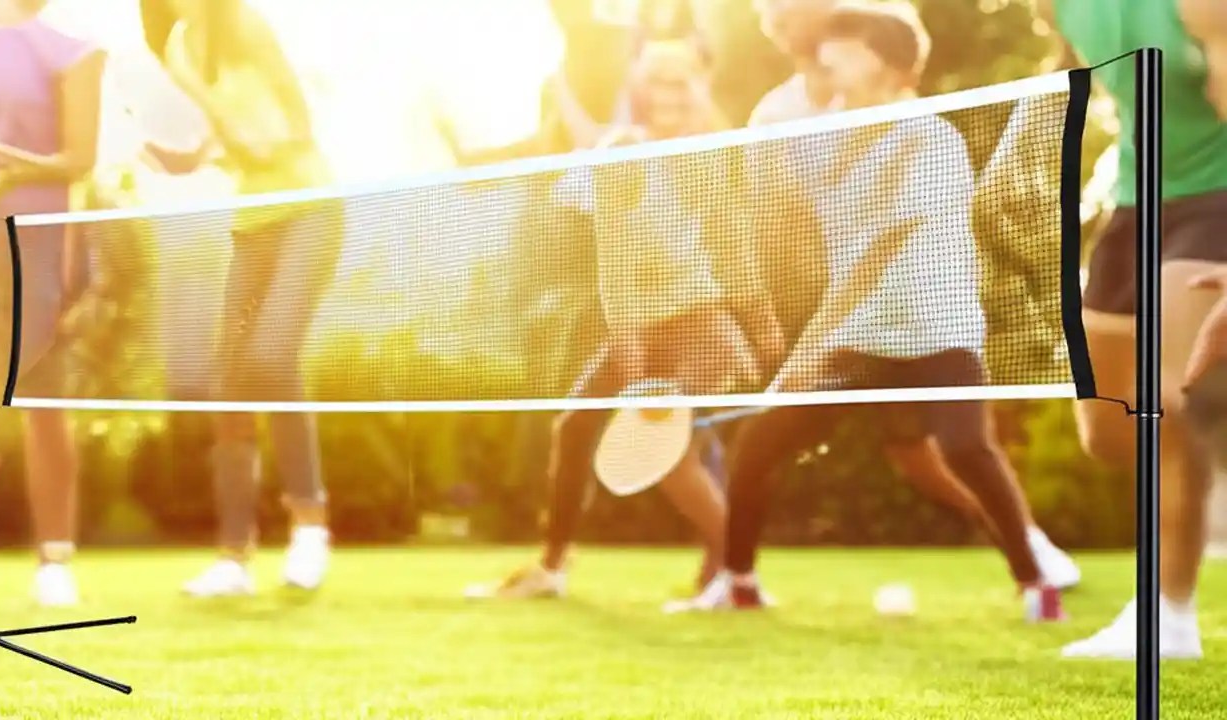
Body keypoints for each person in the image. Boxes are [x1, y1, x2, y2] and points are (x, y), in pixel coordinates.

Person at [698, 2, 1064, 620]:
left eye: (849, 46)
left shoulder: (930, 135)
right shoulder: (825, 134)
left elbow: (875, 254)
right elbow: (774, 201)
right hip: (864, 339)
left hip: (937, 331)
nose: (829, 54)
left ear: (893, 67)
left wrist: (807, 348)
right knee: (760, 443)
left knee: (966, 449)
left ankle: (1036, 583)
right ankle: (738, 582)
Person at [465, 37, 771, 602]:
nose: (670, 93)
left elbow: (731, 244)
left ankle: (734, 572)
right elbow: (614, 246)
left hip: (698, 321)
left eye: (681, 81)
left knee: (679, 451)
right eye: (659, 82)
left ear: (699, 89)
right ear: (642, 92)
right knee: (577, 426)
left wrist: (761, 323)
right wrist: (627, 331)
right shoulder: (625, 149)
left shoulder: (710, 155)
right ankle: (554, 569)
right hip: (642, 322)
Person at [1035, 0, 1227, 659]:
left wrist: (1218, 39)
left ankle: (1167, 617)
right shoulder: (1065, 7)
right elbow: (1096, 77)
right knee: (1109, 431)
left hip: (1215, 198)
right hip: (1132, 203)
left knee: (1166, 405)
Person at [139, 0, 340, 598]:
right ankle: (234, 557)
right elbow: (224, 126)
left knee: (272, 358)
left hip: (310, 208)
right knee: (228, 386)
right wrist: (196, 158)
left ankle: (309, 529)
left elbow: (295, 119)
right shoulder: (178, 47)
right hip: (251, 220)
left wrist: (269, 142)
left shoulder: (245, 23)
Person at [0, 0, 104, 608]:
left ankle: (55, 558)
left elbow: (79, 159)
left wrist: (9, 176)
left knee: (39, 392)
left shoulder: (71, 47)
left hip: (35, 239)